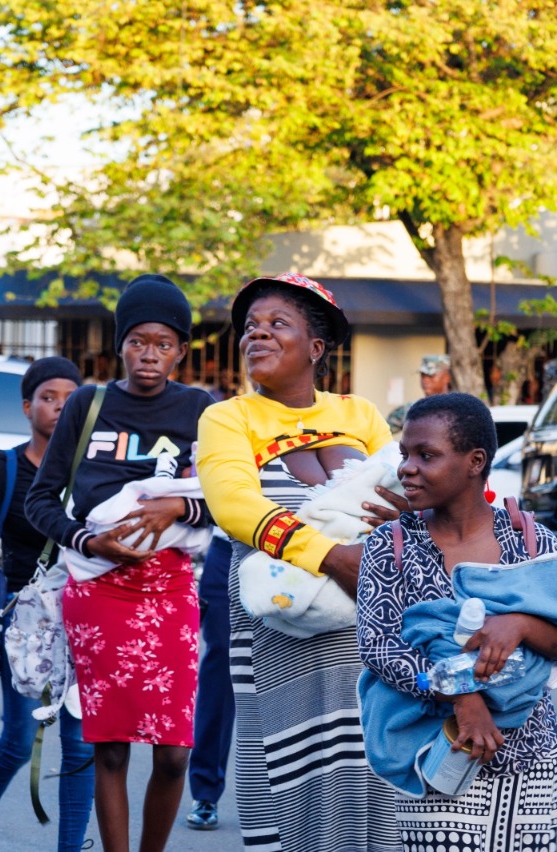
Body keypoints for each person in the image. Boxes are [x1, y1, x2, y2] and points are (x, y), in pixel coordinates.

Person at [196, 271, 405, 852]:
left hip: (364, 629)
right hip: (273, 630)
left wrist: (379, 545)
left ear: (316, 347)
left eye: (276, 324)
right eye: (250, 327)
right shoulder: (228, 418)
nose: (256, 335)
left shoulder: (359, 415)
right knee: (285, 767)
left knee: (366, 766)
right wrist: (335, 557)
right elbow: (235, 507)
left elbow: (394, 494)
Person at [356, 393, 557, 851]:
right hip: (439, 750)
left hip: (530, 757)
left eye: (426, 455)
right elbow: (380, 647)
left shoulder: (529, 541)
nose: (408, 467)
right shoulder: (391, 546)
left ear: (474, 462)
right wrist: (461, 695)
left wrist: (522, 626)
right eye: (405, 454)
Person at [26, 274, 214, 852]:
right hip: (98, 590)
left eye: (162, 343)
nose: (149, 355)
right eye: (137, 341)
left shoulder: (202, 410)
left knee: (175, 751)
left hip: (170, 589)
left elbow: (229, 502)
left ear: (181, 349)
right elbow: (40, 500)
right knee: (107, 746)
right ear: (120, 345)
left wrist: (177, 505)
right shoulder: (88, 403)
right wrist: (87, 542)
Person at [0, 356, 94, 852]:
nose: (58, 407)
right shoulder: (4, 467)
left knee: (80, 746)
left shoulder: (94, 471)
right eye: (48, 398)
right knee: (16, 740)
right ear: (26, 406)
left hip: (85, 616)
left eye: (69, 399)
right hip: (25, 622)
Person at [182, 528, 234, 831]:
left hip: (299, 550)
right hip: (229, 550)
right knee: (221, 669)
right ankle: (205, 792)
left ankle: (289, 799)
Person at [386, 354, 451, 434]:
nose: (425, 380)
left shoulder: (460, 408)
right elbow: (381, 433)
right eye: (423, 376)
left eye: (431, 375)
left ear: (447, 377)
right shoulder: (411, 409)